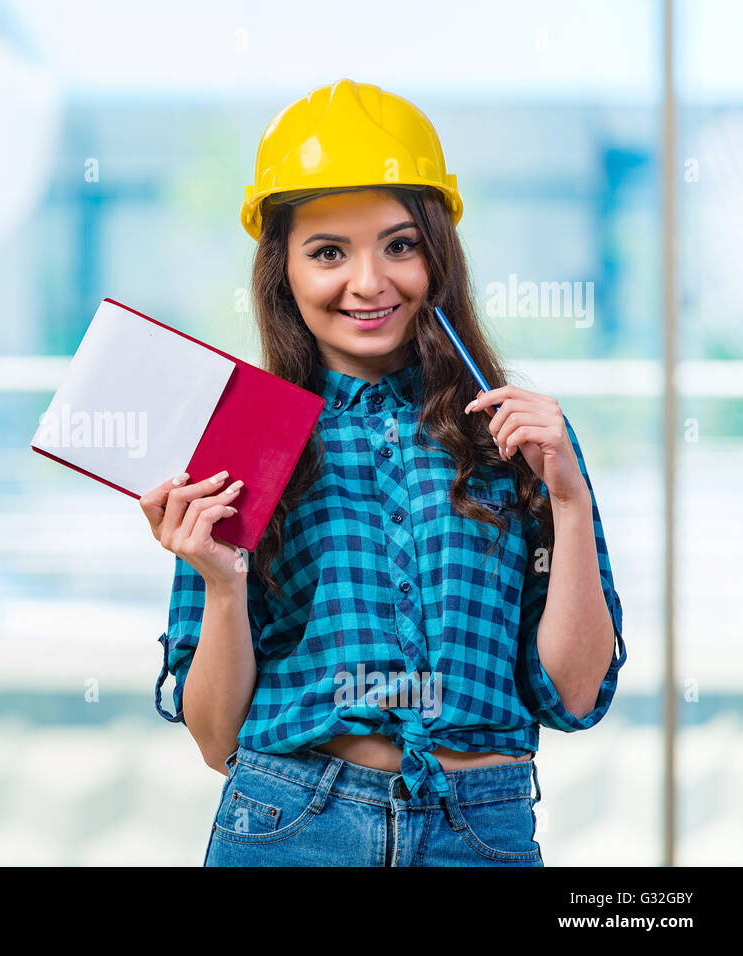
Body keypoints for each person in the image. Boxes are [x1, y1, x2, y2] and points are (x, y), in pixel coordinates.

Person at [138, 79, 626, 866]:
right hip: (291, 824)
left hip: (480, 830)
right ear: (283, 273)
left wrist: (567, 501)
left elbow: (572, 697)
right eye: (329, 252)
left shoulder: (518, 442)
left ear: (438, 256)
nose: (369, 282)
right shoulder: (243, 440)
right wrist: (223, 584)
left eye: (400, 245)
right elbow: (215, 739)